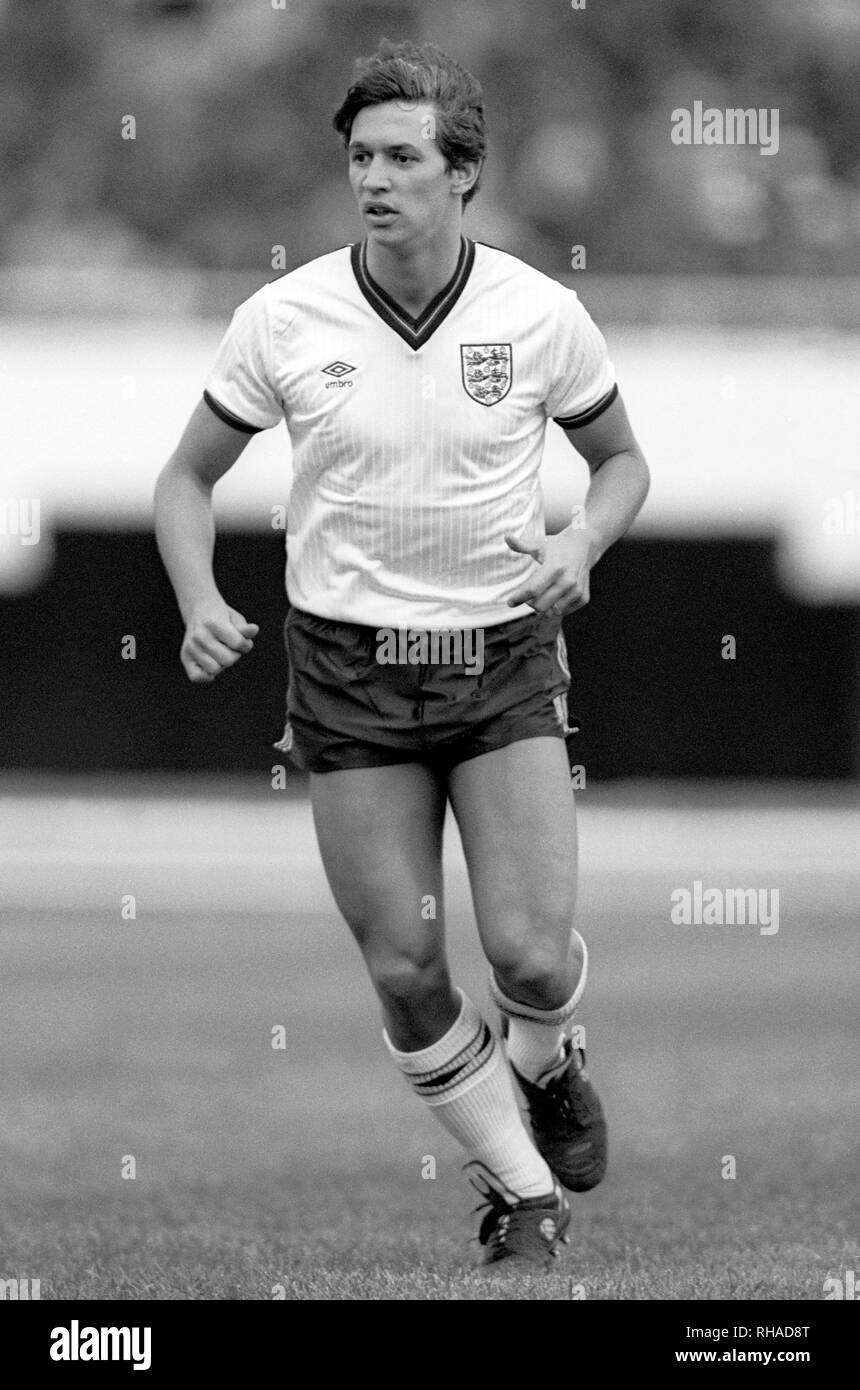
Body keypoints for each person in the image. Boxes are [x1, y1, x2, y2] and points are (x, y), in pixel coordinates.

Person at [154, 38, 650, 1271]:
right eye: (359, 158)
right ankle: (524, 1194)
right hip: (346, 670)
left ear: (463, 172)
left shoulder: (541, 314)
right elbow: (184, 479)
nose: (374, 180)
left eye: (402, 158)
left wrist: (582, 539)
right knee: (407, 966)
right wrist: (195, 596)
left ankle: (549, 1058)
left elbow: (623, 465)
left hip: (500, 657)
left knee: (530, 955)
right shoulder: (285, 316)